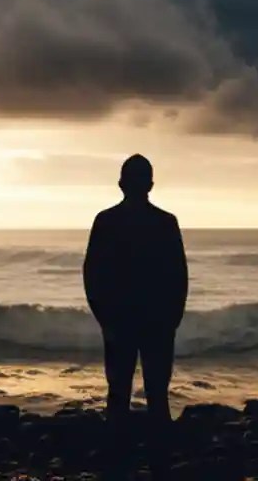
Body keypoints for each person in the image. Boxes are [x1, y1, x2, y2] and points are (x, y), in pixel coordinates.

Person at [83, 153, 188, 475]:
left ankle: (117, 461)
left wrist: (104, 318)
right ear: (150, 185)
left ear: (121, 184)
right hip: (156, 321)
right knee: (157, 393)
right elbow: (179, 276)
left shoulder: (106, 221)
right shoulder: (165, 222)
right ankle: (160, 462)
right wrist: (172, 319)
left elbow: (92, 275)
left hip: (120, 320)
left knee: (119, 392)